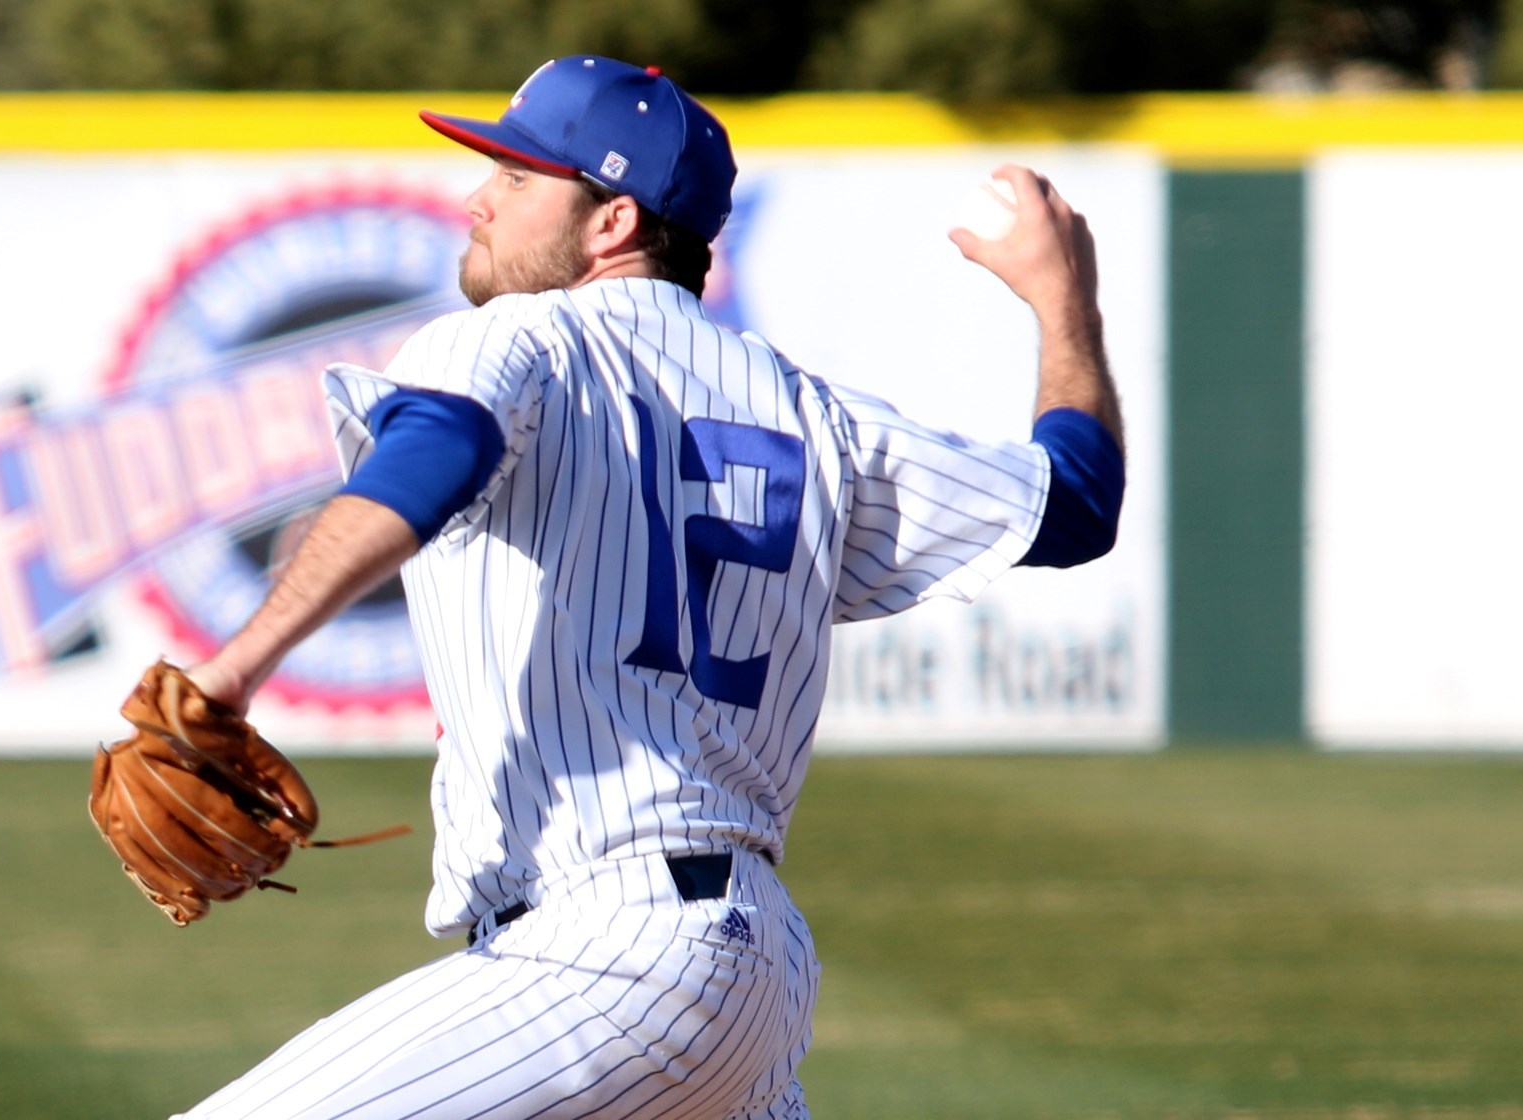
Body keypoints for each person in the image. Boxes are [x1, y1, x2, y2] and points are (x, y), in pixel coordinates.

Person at [177, 54, 1125, 1120]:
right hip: (746, 966)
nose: (477, 198)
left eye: (518, 177)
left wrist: (227, 672)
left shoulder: (519, 337)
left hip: (607, 955)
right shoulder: (814, 416)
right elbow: (1073, 505)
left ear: (611, 222)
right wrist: (1060, 297)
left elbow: (434, 447)